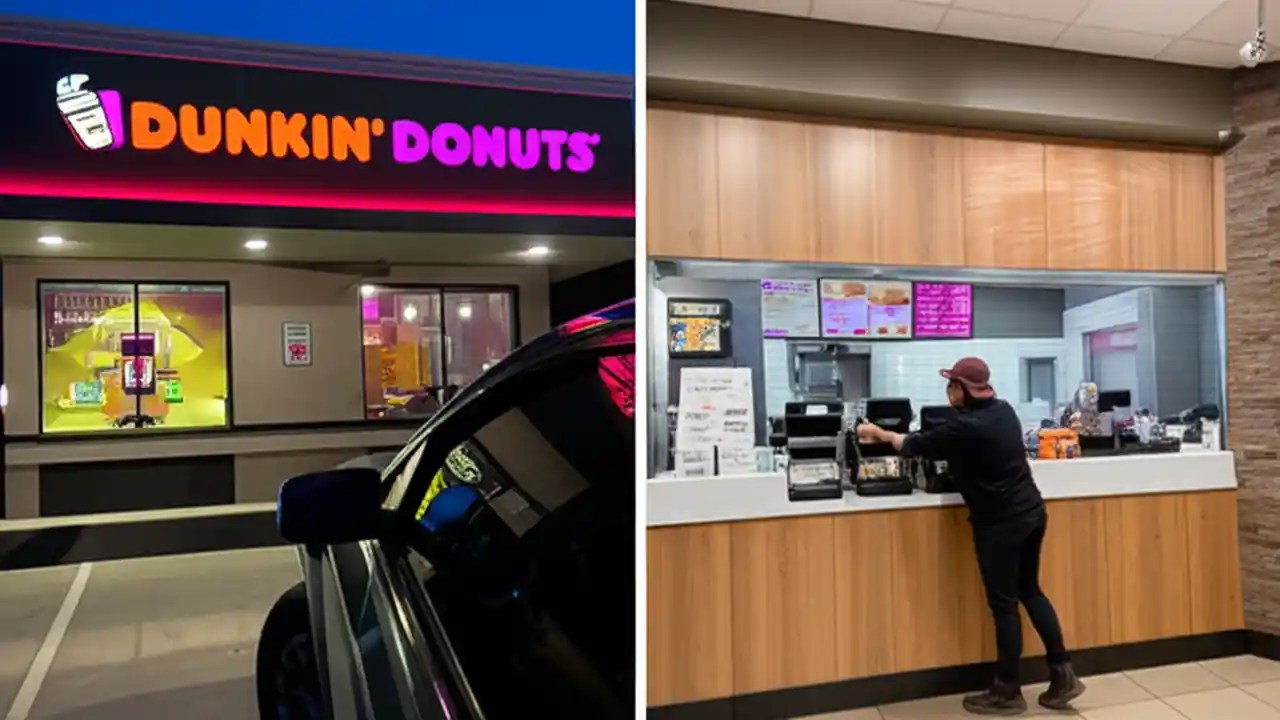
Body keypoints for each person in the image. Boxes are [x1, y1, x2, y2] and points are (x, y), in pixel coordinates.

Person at [857, 357, 1086, 716]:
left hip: (1000, 523)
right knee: (1030, 591)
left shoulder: (965, 427)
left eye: (952, 385)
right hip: (1031, 512)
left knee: (1004, 606)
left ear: (965, 388)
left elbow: (913, 444)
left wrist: (878, 433)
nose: (948, 391)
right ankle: (1063, 675)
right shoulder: (1004, 411)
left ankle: (1007, 690)